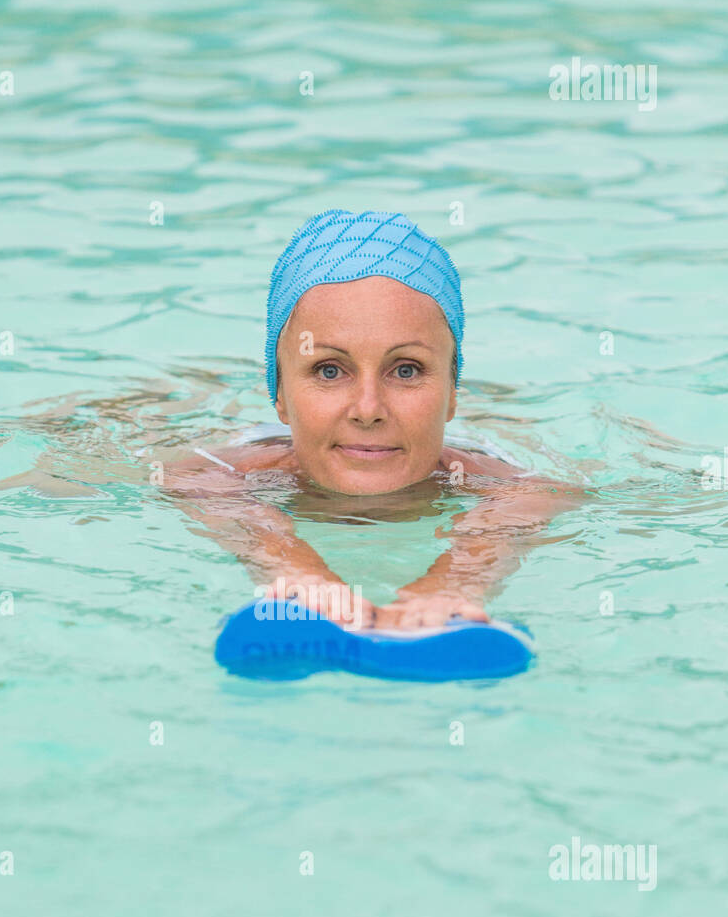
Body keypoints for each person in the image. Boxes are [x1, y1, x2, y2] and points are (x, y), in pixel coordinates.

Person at [164, 209, 581, 629]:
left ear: (453, 396)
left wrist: (455, 580)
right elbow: (187, 478)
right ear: (281, 397)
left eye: (406, 370)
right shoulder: (237, 470)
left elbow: (541, 497)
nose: (368, 410)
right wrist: (293, 566)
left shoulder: (484, 478)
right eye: (329, 370)